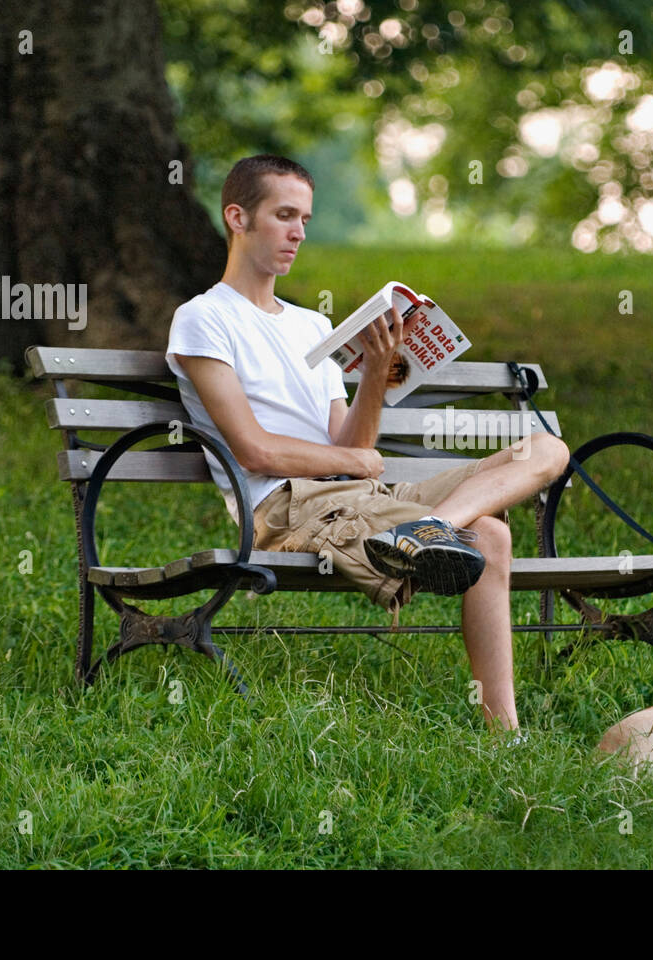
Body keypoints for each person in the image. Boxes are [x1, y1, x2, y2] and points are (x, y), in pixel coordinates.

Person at [165, 155, 569, 735]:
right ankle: (504, 733)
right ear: (237, 217)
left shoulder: (309, 326)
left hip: (361, 495)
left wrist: (377, 374)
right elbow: (254, 451)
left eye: (304, 218)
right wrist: (355, 461)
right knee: (493, 534)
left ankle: (425, 533)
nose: (298, 233)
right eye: (283, 216)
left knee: (545, 449)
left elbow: (348, 439)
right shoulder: (203, 319)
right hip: (287, 506)